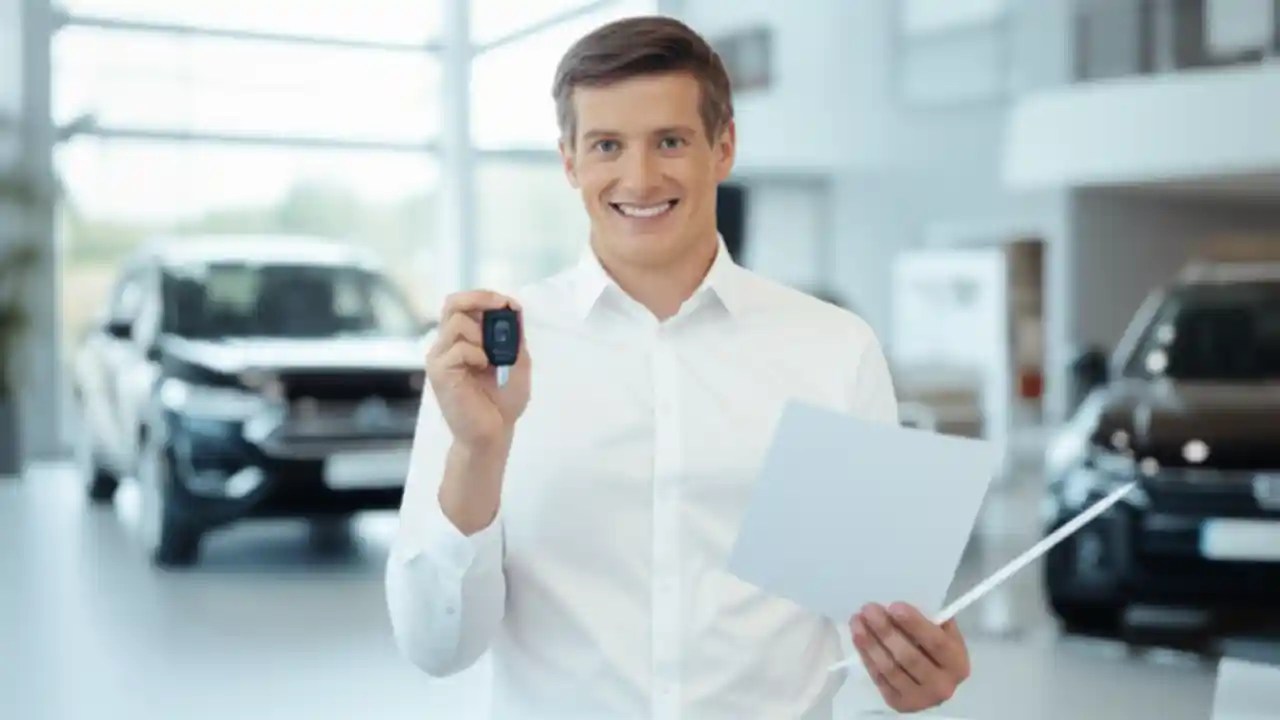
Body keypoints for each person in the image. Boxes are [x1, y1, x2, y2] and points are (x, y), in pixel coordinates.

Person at [386, 15, 971, 719]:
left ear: (722, 148)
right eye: (607, 145)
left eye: (670, 141)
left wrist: (915, 676)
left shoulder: (832, 349)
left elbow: (877, 628)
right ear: (569, 161)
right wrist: (481, 450)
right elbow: (436, 645)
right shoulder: (485, 361)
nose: (639, 177)